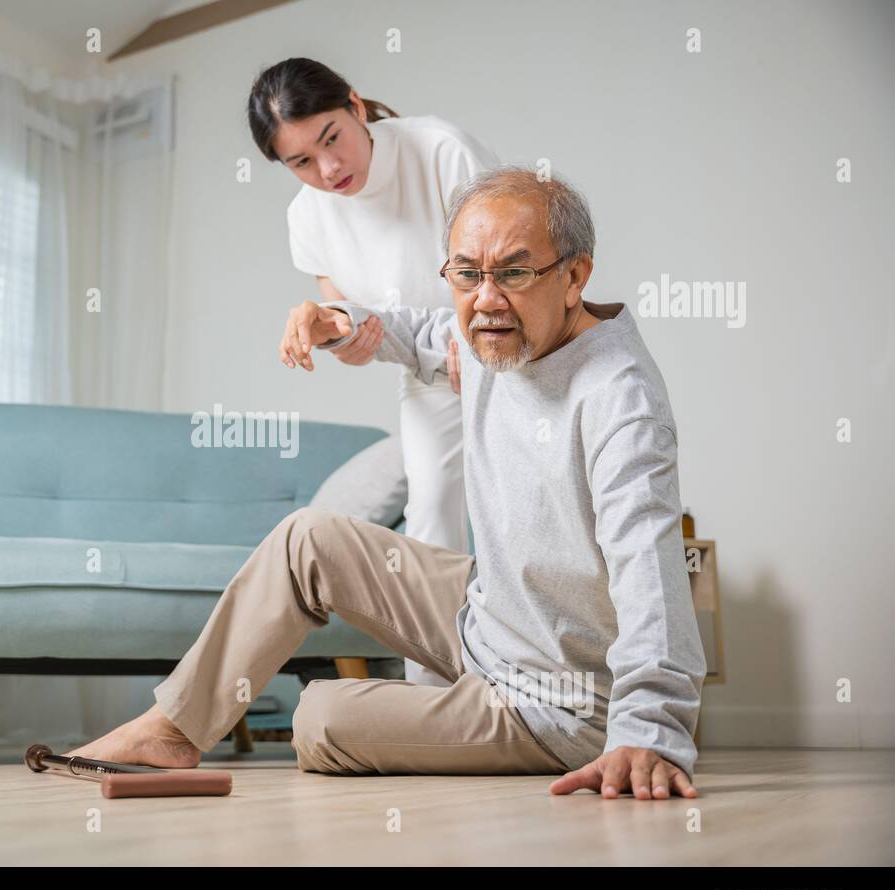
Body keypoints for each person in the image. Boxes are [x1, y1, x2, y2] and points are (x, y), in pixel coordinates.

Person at [67, 168, 706, 799]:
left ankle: (508, 720)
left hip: (560, 700)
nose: (485, 298)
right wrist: (340, 321)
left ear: (575, 276)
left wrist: (647, 729)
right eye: (465, 273)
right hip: (489, 614)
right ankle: (172, 728)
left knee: (319, 720)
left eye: (514, 272)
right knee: (306, 540)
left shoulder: (620, 399)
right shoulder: (490, 329)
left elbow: (651, 573)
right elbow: (422, 331)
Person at [251, 57, 498, 688]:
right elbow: (362, 319)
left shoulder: (440, 150)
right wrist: (338, 330)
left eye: (330, 138)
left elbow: (506, 263)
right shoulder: (307, 220)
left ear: (356, 107)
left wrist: (479, 340)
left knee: (519, 514)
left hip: (511, 355)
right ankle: (436, 696)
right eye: (301, 162)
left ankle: (545, 690)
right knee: (431, 520)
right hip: (429, 369)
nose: (327, 170)